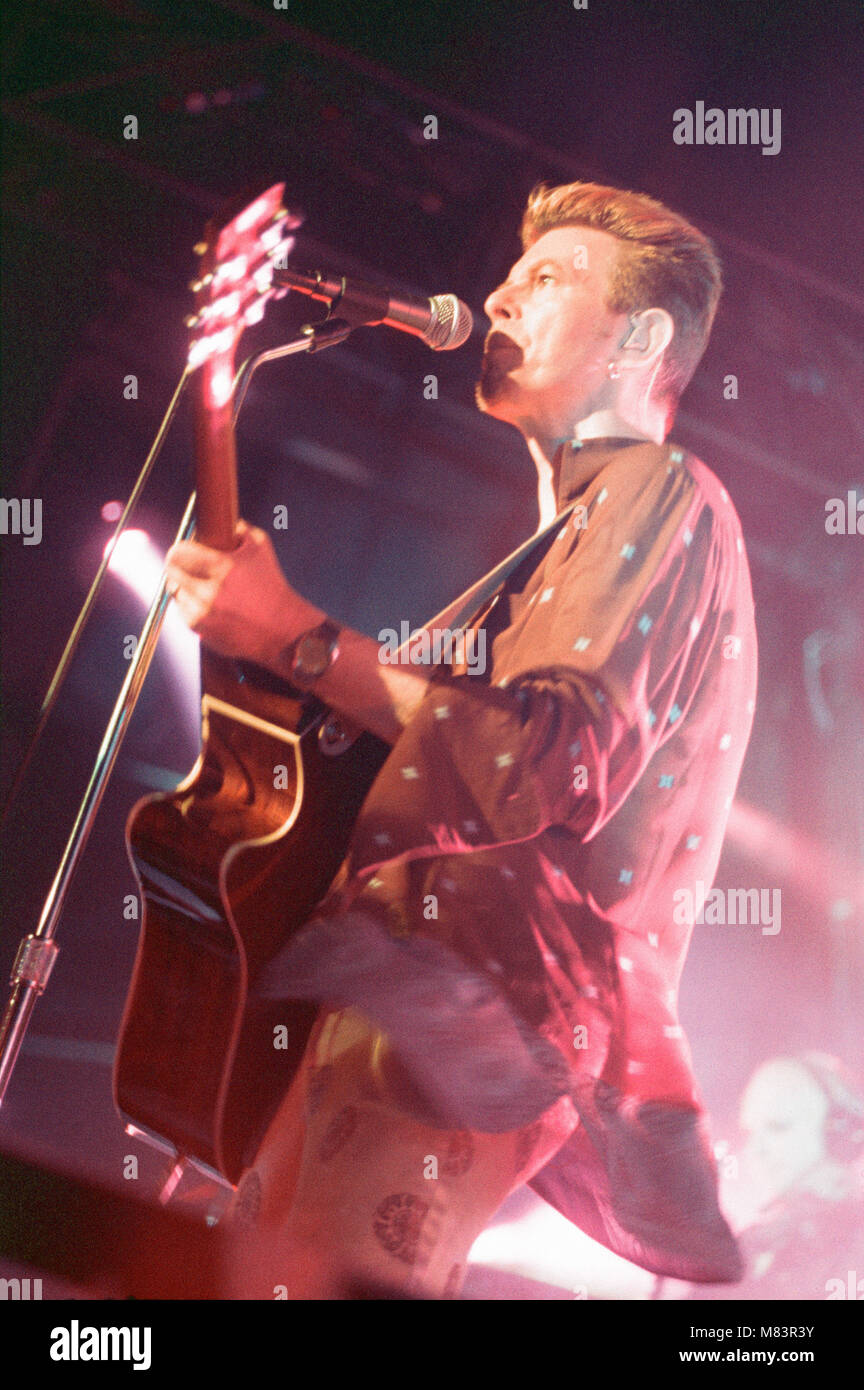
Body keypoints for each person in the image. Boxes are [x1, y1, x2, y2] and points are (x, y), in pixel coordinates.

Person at [164, 180, 757, 1298]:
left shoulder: (665, 491)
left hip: (476, 995)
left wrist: (294, 636)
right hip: (411, 986)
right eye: (511, 274)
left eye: (547, 278)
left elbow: (545, 752)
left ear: (642, 339)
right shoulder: (550, 549)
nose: (498, 295)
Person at [685, 1053, 864, 1301]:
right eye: (749, 1132)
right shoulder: (750, 1246)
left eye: (778, 1127)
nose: (756, 1149)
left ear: (840, 1134)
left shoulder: (855, 1245)